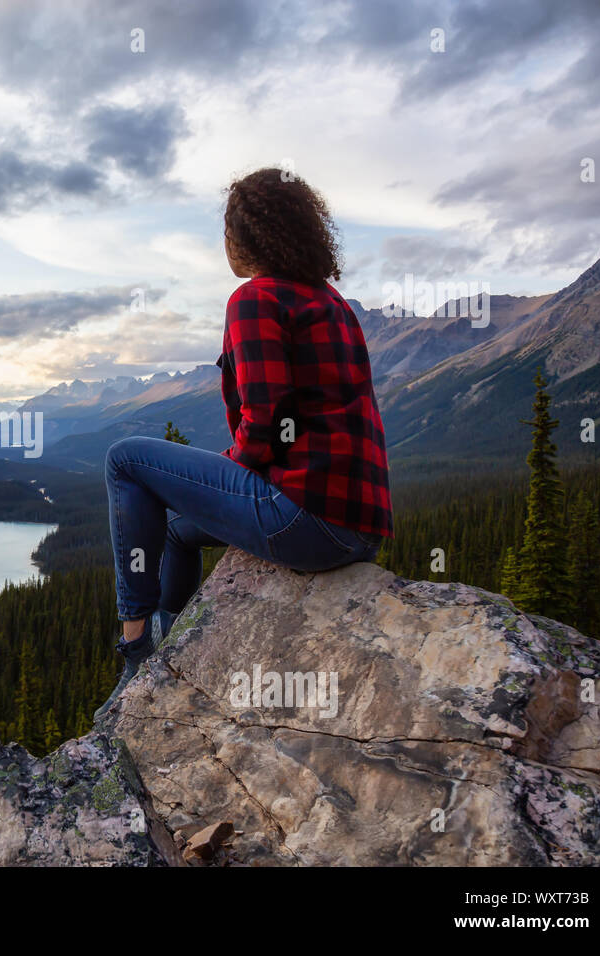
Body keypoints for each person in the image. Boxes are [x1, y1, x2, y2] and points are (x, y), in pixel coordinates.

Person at [96, 167, 393, 719]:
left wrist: (232, 469)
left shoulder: (254, 299)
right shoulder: (331, 302)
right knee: (179, 535)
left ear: (247, 237)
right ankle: (177, 650)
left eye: (228, 231)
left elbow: (268, 420)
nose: (225, 243)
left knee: (125, 461)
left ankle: (136, 652)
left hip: (304, 517)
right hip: (360, 531)